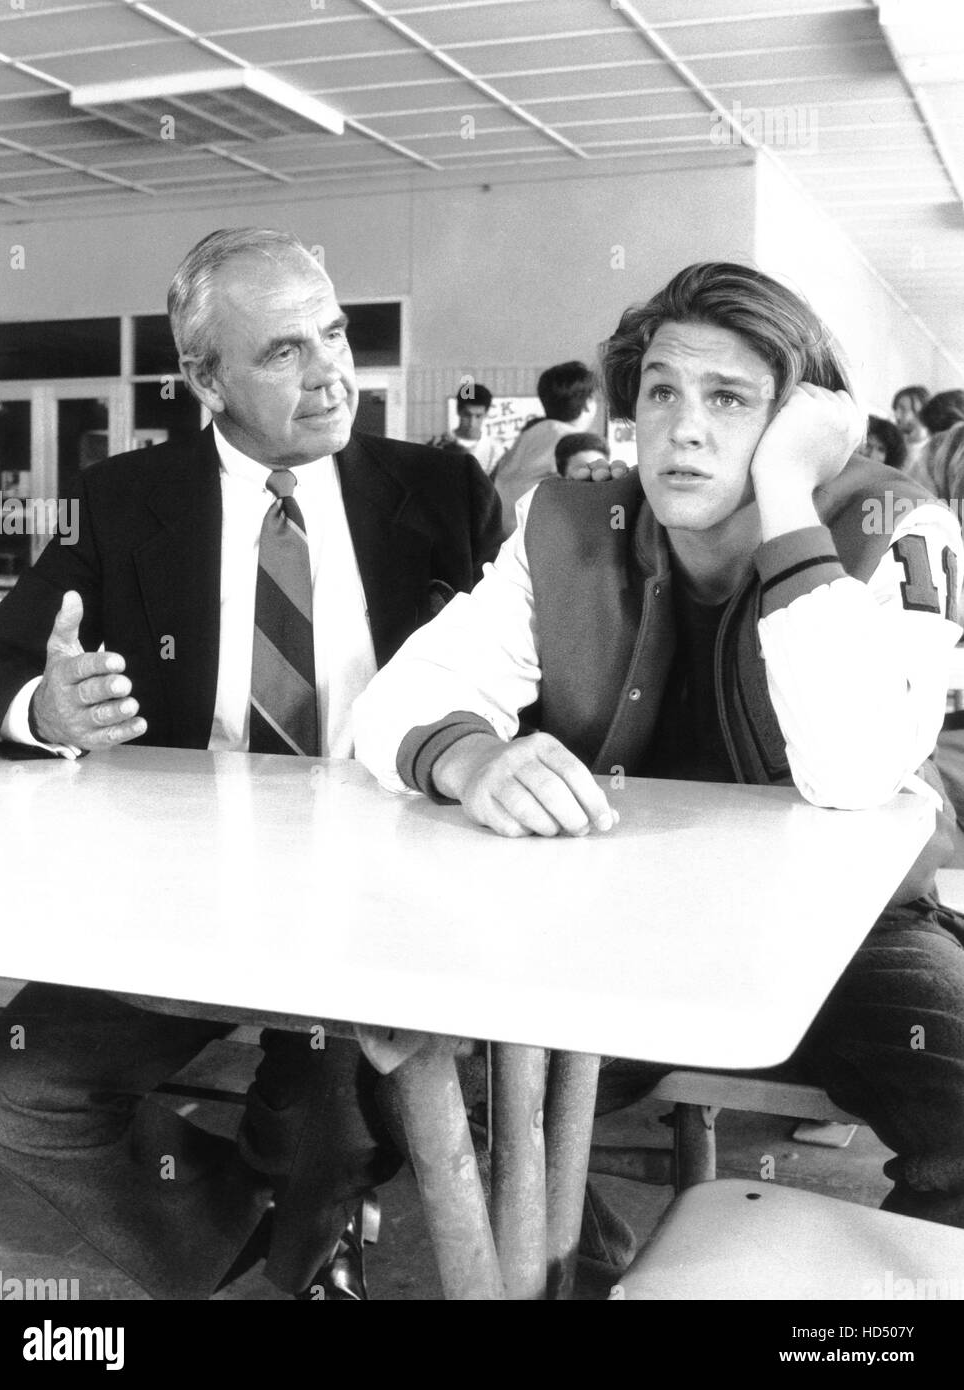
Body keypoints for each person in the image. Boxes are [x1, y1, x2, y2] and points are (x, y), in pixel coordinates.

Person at [354, 261, 964, 1234]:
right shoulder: (565, 523)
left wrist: (784, 497)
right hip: (613, 921)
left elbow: (849, 771)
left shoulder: (899, 527)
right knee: (425, 1083)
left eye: (729, 399)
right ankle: (593, 1278)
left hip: (853, 931)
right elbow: (394, 705)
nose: (683, 427)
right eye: (662, 392)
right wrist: (473, 759)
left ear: (799, 422)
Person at [0, 227, 501, 1301]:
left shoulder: (441, 494)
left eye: (335, 334)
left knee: (328, 1114)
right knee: (16, 1094)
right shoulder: (125, 500)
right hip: (183, 898)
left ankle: (303, 1206)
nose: (329, 373)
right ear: (202, 380)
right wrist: (48, 706)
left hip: (387, 896)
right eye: (282, 352)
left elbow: (535, 689)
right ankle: (251, 1237)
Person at [492, 360, 597, 535]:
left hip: (504, 541)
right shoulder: (575, 442)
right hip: (540, 543)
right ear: (587, 403)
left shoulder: (529, 435)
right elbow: (599, 498)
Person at [429, 382, 502, 476]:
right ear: (458, 411)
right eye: (467, 415)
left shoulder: (495, 450)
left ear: (486, 414)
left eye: (478, 416)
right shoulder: (439, 445)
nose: (472, 422)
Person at [892, 383, 931, 481]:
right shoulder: (894, 443)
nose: (897, 415)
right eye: (896, 409)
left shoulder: (932, 454)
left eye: (903, 409)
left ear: (920, 411)